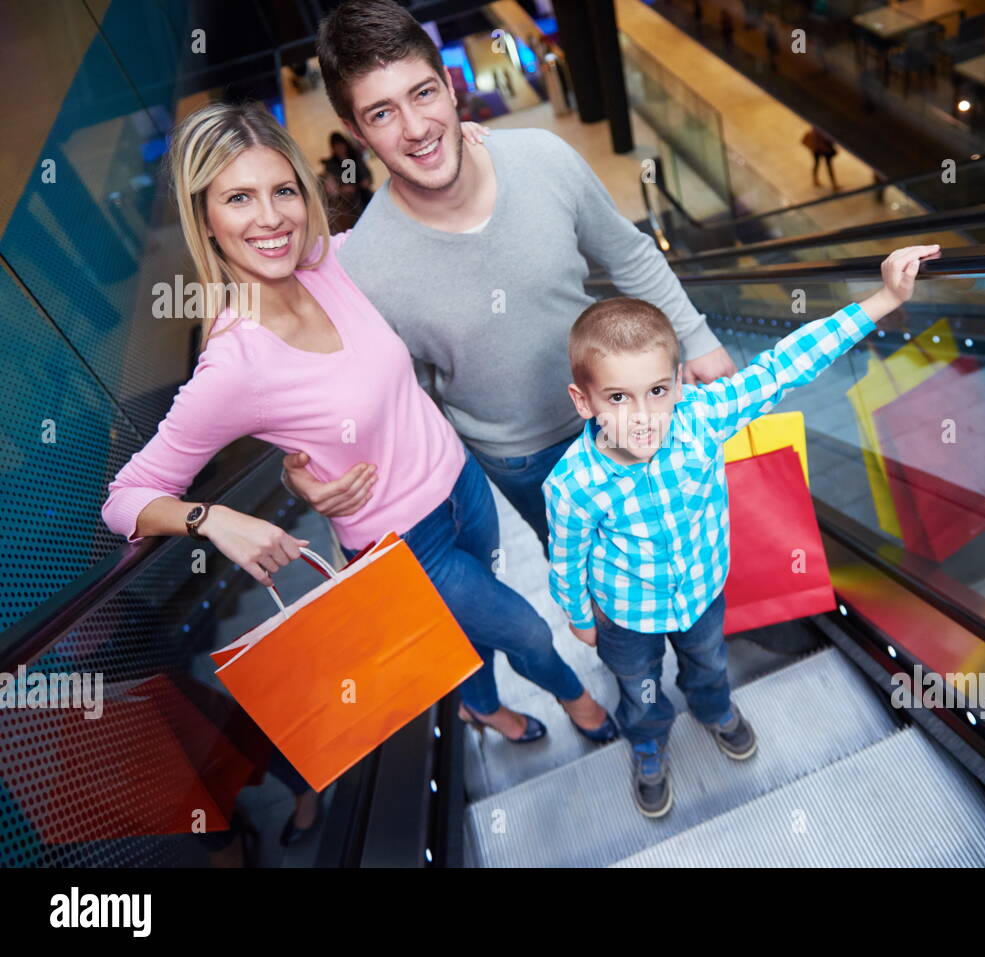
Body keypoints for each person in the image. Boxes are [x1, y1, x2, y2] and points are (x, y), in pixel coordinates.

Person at [101, 103, 619, 843]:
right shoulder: (233, 362)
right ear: (205, 218)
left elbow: (411, 223)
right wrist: (211, 517)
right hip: (402, 545)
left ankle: (477, 702)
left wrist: (468, 148)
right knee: (529, 629)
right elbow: (124, 497)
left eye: (281, 190)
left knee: (466, 635)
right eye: (238, 198)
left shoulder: (330, 264)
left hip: (464, 485)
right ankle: (580, 703)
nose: (269, 217)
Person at [282, 0, 737, 566]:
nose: (416, 128)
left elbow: (630, 255)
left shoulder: (542, 158)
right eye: (381, 113)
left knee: (683, 541)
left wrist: (697, 339)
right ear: (355, 131)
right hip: (522, 457)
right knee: (593, 580)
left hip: (628, 405)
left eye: (423, 93)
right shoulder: (365, 269)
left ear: (450, 86)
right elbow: (375, 395)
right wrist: (306, 468)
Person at [544, 244, 941, 817]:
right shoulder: (573, 484)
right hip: (627, 615)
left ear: (680, 382)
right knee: (640, 687)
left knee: (708, 663)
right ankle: (650, 742)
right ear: (583, 402)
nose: (643, 416)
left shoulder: (701, 416)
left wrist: (882, 299)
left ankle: (713, 710)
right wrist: (581, 618)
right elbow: (567, 557)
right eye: (617, 397)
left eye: (657, 391)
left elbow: (786, 364)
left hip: (703, 592)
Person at [321, 131, 373, 231]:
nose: (340, 148)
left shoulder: (355, 157)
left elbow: (367, 176)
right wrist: (341, 189)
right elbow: (330, 190)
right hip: (345, 205)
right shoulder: (331, 165)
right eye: (336, 146)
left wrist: (365, 182)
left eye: (340, 145)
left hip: (363, 197)